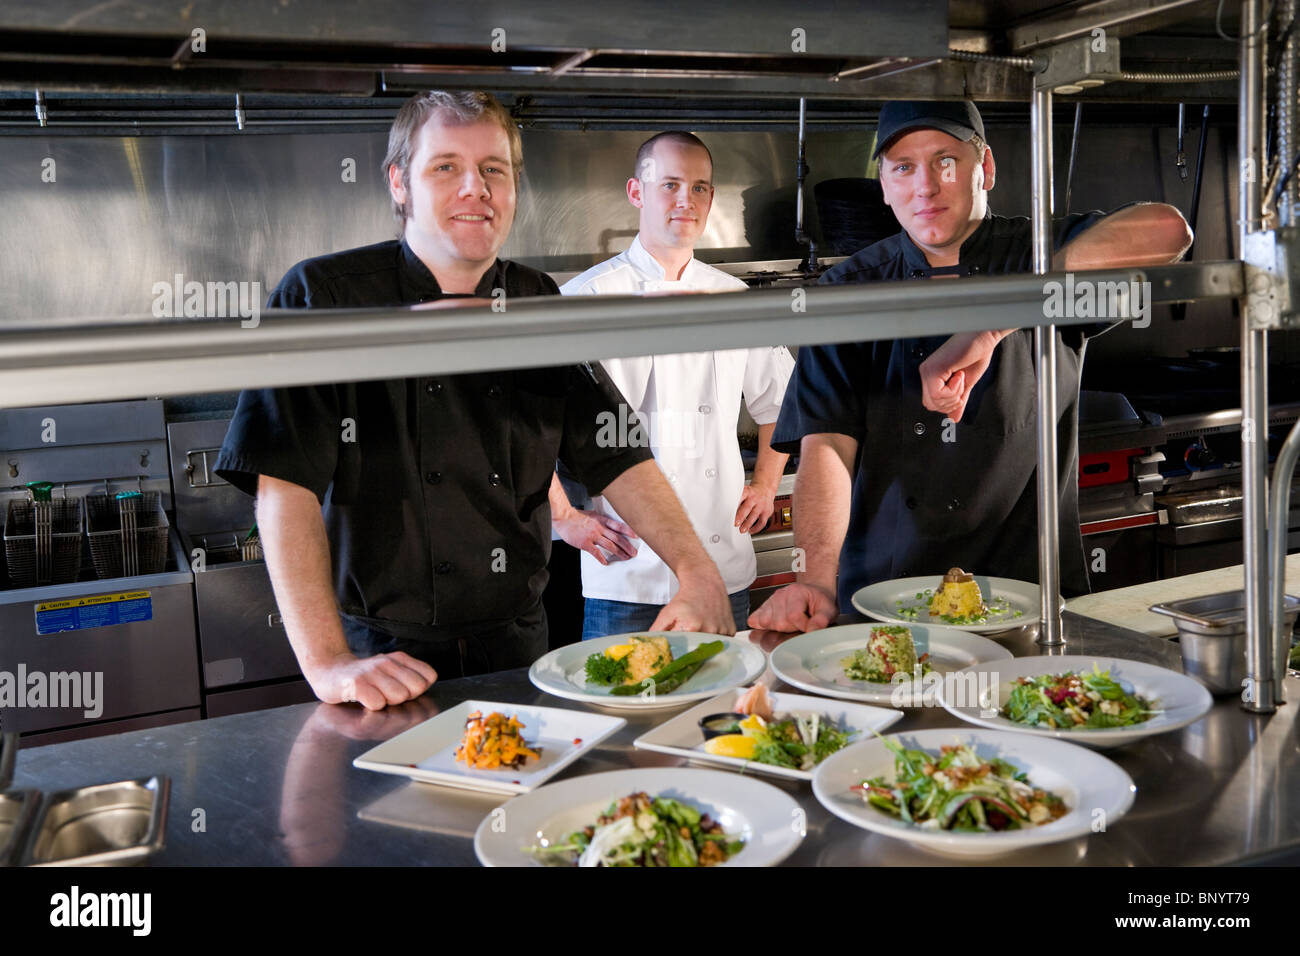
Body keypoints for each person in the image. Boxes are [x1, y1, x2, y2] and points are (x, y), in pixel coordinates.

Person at [215, 91, 735, 710]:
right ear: (398, 183)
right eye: (445, 167)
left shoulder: (538, 302)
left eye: (494, 170)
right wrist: (328, 662)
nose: (475, 188)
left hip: (519, 648)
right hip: (383, 655)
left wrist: (697, 570)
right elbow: (285, 485)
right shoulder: (325, 297)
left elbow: (616, 451)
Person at [750, 99, 1193, 633]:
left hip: (1027, 600)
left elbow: (1169, 232)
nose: (925, 187)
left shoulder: (1039, 252)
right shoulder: (849, 293)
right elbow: (828, 449)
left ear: (985, 167)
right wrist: (816, 579)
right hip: (886, 602)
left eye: (945, 161)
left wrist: (989, 326)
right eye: (903, 168)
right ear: (885, 186)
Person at [551, 131, 794, 637]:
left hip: (722, 562)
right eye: (670, 185)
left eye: (700, 187)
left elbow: (783, 404)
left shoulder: (735, 298)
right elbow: (526, 426)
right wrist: (564, 517)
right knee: (622, 708)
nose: (687, 200)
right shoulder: (584, 300)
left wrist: (767, 484)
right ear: (636, 193)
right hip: (626, 572)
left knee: (724, 711)